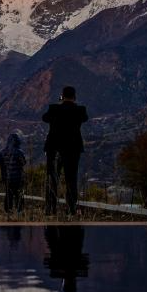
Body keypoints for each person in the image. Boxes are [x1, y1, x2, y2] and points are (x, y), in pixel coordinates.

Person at [42, 86, 88, 216]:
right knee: (71, 179)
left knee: (52, 178)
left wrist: (60, 103)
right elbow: (85, 118)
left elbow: (44, 118)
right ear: (74, 96)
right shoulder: (80, 110)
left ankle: (50, 209)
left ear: (62, 95)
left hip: (54, 148)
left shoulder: (54, 109)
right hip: (73, 149)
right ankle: (71, 209)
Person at [0, 131, 26, 216]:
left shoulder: (2, 152)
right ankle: (20, 211)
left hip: (7, 178)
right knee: (19, 194)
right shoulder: (19, 152)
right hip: (18, 178)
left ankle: (8, 211)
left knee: (8, 194)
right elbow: (23, 162)